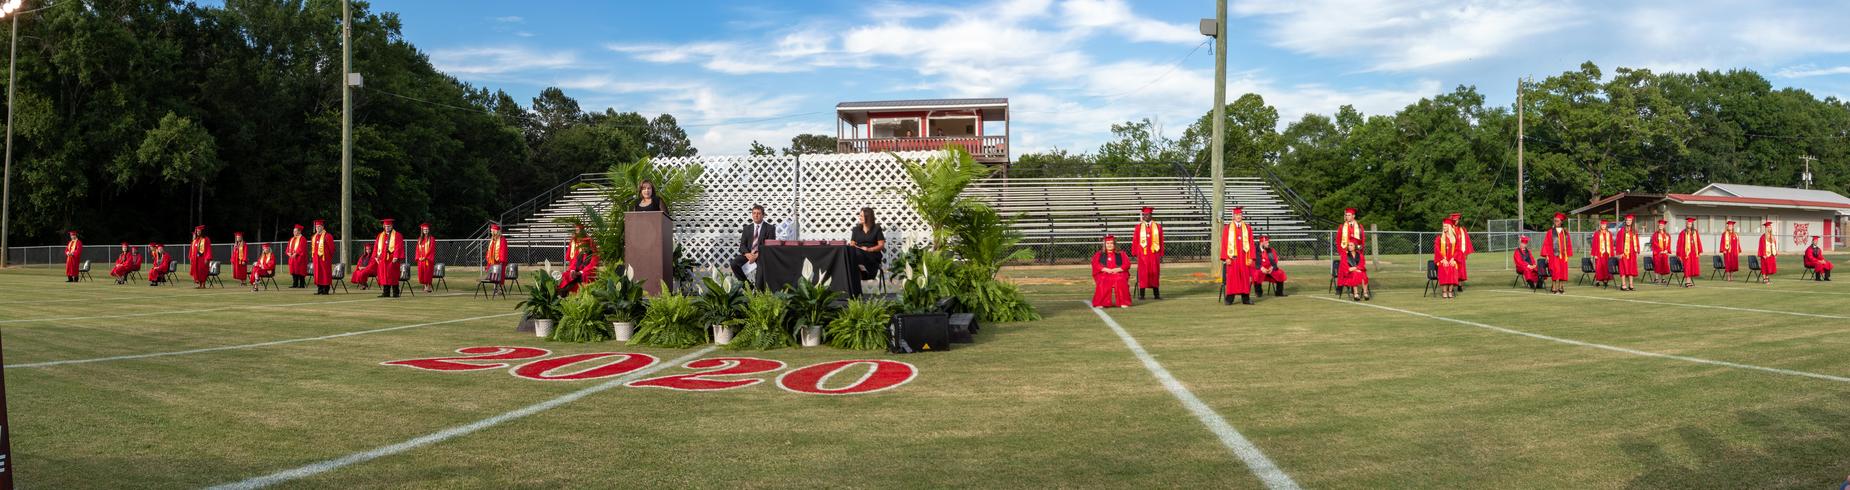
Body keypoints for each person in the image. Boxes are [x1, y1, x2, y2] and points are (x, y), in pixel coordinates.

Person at [729, 205, 776, 284]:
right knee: (734, 263)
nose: (756, 215)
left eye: (758, 213)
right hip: (749, 255)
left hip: (762, 256)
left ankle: (758, 291)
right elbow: (742, 245)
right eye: (754, 213)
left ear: (763, 215)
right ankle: (747, 286)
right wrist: (748, 254)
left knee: (760, 270)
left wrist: (756, 255)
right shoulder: (747, 228)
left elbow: (770, 246)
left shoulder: (770, 228)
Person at [1219, 207, 1256, 305]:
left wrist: (1251, 257)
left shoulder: (1247, 228)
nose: (1238, 216)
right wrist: (1226, 257)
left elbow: (1251, 243)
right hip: (1233, 257)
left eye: (1240, 215)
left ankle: (1246, 298)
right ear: (1233, 216)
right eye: (1236, 215)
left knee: (1245, 277)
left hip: (1244, 257)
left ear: (1242, 216)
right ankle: (1229, 299)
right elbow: (1224, 243)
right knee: (1232, 278)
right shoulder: (1228, 228)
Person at [1090, 235, 1132, 308]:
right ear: (1105, 245)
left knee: (1120, 279)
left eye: (1111, 243)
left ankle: (1123, 302)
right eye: (1108, 243)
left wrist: (1117, 269)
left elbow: (1127, 264)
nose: (1109, 245)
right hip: (1105, 273)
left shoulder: (1121, 254)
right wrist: (1106, 269)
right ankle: (1101, 303)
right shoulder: (1099, 254)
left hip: (1118, 273)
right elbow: (1095, 264)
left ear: (1114, 244)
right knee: (1103, 280)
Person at [1132, 206, 1164, 300]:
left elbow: (1161, 240)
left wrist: (1161, 253)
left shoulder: (1158, 227)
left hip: (1154, 254)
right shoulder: (1138, 227)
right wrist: (1134, 252)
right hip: (1143, 254)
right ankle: (1142, 295)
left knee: (1154, 273)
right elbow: (1135, 240)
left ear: (1151, 215)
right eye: (1144, 214)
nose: (1145, 216)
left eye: (1147, 214)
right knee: (1143, 274)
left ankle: (1156, 295)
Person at [849, 207, 885, 283]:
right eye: (860, 215)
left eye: (862, 216)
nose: (860, 217)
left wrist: (869, 249)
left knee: (857, 253)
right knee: (853, 252)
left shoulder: (877, 229)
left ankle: (864, 272)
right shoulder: (856, 229)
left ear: (868, 217)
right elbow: (852, 243)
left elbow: (881, 245)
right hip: (859, 254)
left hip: (872, 255)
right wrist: (853, 245)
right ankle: (862, 271)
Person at [1542, 213, 1574, 294]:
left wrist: (1568, 253)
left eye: (1557, 220)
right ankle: (1554, 286)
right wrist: (1546, 255)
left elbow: (1568, 243)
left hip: (1563, 256)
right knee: (1555, 270)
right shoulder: (1550, 232)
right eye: (1555, 220)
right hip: (1553, 255)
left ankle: (1561, 286)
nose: (1556, 221)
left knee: (1562, 271)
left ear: (1561, 222)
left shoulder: (1565, 232)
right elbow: (1546, 243)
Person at [374, 218, 406, 298]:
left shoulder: (397, 235)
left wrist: (396, 256)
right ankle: (386, 293)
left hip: (392, 258)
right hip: (382, 259)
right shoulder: (380, 235)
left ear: (391, 226)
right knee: (384, 275)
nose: (387, 227)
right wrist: (376, 256)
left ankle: (396, 293)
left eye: (389, 226)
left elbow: (398, 246)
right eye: (386, 226)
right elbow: (376, 246)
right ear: (383, 226)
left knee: (393, 275)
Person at [1336, 208, 1364, 295]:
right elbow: (1338, 240)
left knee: (1357, 268)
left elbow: (1362, 239)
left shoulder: (1359, 227)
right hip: (1345, 251)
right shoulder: (1342, 227)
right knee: (1343, 269)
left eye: (1349, 215)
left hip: (1356, 252)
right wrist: (1341, 252)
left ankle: (1354, 287)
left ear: (1353, 216)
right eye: (1346, 215)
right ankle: (1340, 286)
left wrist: (1360, 251)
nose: (1347, 217)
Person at [1434, 217, 1463, 299]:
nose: (1444, 228)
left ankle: (1450, 291)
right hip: (1442, 260)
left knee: (1452, 267)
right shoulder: (1439, 238)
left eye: (1446, 226)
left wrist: (1453, 259)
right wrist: (1443, 259)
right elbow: (1437, 249)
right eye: (1443, 226)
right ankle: (1444, 291)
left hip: (1452, 260)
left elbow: (1458, 250)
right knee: (1445, 268)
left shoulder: (1454, 238)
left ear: (1450, 227)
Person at [560, 224, 593, 294]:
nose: (577, 232)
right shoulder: (573, 240)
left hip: (585, 268)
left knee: (583, 276)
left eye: (578, 230)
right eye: (576, 230)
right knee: (567, 275)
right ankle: (564, 291)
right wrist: (573, 270)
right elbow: (573, 257)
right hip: (575, 264)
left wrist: (580, 272)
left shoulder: (588, 240)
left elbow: (591, 261)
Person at [1338, 233, 1371, 301]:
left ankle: (1365, 293)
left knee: (1363, 274)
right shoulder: (1345, 255)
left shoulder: (1360, 255)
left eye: (1351, 245)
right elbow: (1345, 267)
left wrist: (1355, 268)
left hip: (1357, 271)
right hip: (1347, 274)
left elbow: (1362, 265)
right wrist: (1355, 269)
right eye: (1348, 245)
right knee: (1356, 273)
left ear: (1355, 246)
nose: (1349, 247)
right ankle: (1356, 294)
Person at [1450, 212, 1475, 290]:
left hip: (1461, 253)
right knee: (1453, 269)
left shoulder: (1462, 229)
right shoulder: (1449, 229)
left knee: (1461, 270)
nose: (1456, 221)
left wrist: (1466, 253)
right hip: (1452, 253)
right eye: (1454, 220)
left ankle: (1460, 286)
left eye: (1457, 220)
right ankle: (1452, 285)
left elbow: (1467, 241)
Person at [1617, 215, 1641, 291]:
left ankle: (1631, 285)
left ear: (1632, 222)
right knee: (1623, 268)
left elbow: (1636, 241)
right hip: (1624, 253)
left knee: (1631, 268)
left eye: (1630, 220)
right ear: (1625, 221)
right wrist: (1620, 252)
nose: (1628, 222)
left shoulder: (1634, 231)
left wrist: (1637, 250)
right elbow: (1619, 242)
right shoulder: (1622, 230)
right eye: (1627, 220)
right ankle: (1623, 285)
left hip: (1632, 253)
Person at [1676, 217, 1702, 288]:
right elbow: (1680, 243)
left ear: (1692, 224)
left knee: (1692, 267)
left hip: (1693, 253)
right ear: (1686, 224)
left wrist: (1699, 251)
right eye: (1688, 223)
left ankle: (1689, 281)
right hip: (1686, 253)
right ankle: (1687, 282)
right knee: (1687, 267)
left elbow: (1698, 241)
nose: (1689, 224)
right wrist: (1679, 254)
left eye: (1690, 223)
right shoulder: (1683, 233)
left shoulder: (1695, 232)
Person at [311, 220, 335, 295]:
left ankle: (326, 289)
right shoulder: (314, 237)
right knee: (318, 274)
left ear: (323, 227)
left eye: (319, 227)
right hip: (316, 260)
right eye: (316, 227)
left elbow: (332, 248)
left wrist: (328, 257)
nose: (317, 228)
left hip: (325, 259)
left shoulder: (328, 236)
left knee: (325, 273)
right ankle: (320, 289)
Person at [484, 223, 509, 290]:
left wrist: (501, 260)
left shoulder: (502, 239)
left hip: (499, 260)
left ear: (496, 231)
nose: (491, 232)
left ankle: (500, 289)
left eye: (492, 231)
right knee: (493, 275)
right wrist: (488, 257)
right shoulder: (493, 239)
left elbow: (503, 250)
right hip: (492, 260)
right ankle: (495, 288)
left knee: (499, 275)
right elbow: (489, 250)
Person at [1591, 219, 1614, 287]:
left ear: (1606, 225)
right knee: (1599, 267)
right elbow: (1594, 244)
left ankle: (1605, 280)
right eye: (1602, 225)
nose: (1603, 226)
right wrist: (1594, 254)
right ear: (1600, 225)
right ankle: (1598, 280)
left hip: (1607, 253)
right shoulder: (1597, 233)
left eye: (1604, 225)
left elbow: (1611, 244)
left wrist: (1611, 253)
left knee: (1606, 267)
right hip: (1599, 253)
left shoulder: (1609, 233)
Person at [415, 223, 437, 293]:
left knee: (428, 273)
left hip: (428, 260)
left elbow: (431, 249)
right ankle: (425, 286)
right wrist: (418, 257)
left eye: (427, 229)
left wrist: (426, 257)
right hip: (421, 260)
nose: (425, 230)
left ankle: (429, 286)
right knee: (422, 273)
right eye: (424, 229)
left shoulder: (431, 239)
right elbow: (417, 249)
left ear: (429, 230)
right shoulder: (420, 239)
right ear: (422, 230)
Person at [286, 224, 309, 288]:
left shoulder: (302, 239)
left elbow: (302, 248)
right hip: (292, 258)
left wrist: (295, 254)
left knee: (300, 271)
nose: (294, 232)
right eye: (293, 231)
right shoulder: (292, 239)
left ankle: (302, 285)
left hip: (300, 258)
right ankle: (295, 284)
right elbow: (288, 248)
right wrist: (288, 253)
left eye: (295, 231)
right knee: (293, 271)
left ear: (299, 231)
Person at [1650, 219, 1673, 285]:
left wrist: (1666, 250)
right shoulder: (1655, 234)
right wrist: (1660, 250)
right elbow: (1654, 243)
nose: (1661, 226)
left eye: (1662, 225)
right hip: (1658, 253)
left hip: (1664, 253)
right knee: (1657, 265)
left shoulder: (1667, 235)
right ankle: (1656, 278)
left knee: (1664, 265)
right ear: (1658, 226)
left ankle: (1663, 279)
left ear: (1664, 226)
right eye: (1660, 225)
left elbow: (1669, 244)